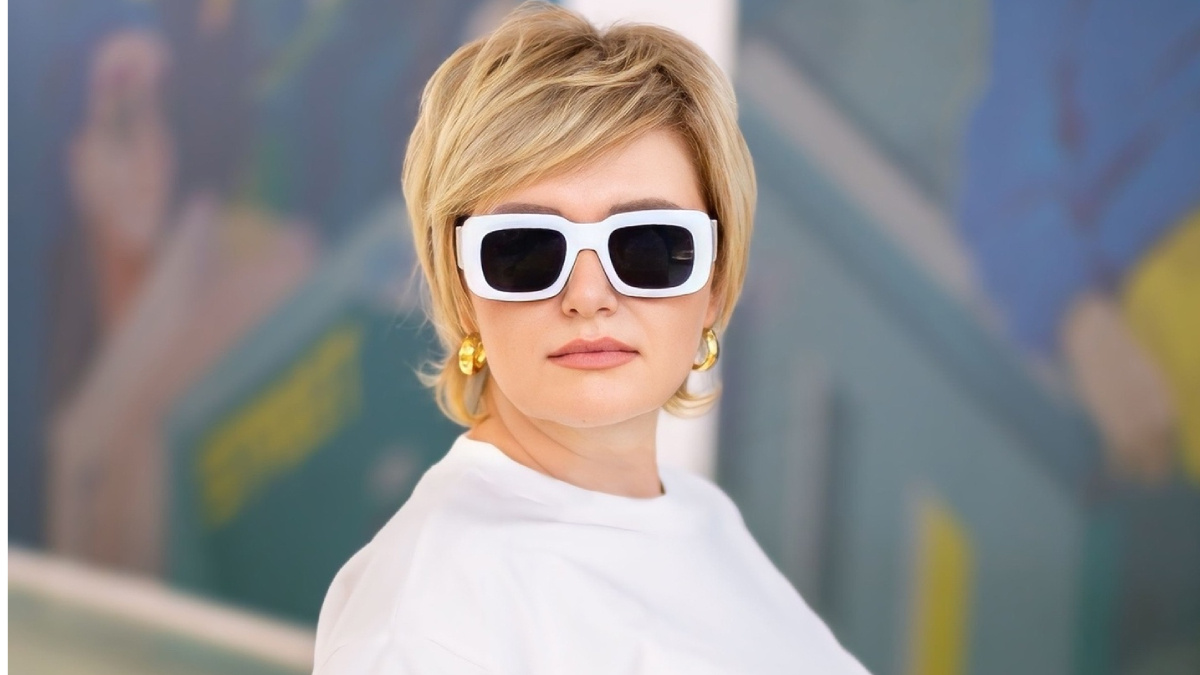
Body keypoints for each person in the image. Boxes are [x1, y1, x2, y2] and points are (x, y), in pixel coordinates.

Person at [313, 4, 870, 673]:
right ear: (461, 291)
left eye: (648, 245)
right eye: (525, 250)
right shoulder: (430, 625)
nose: (588, 295)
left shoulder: (700, 515)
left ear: (715, 283)